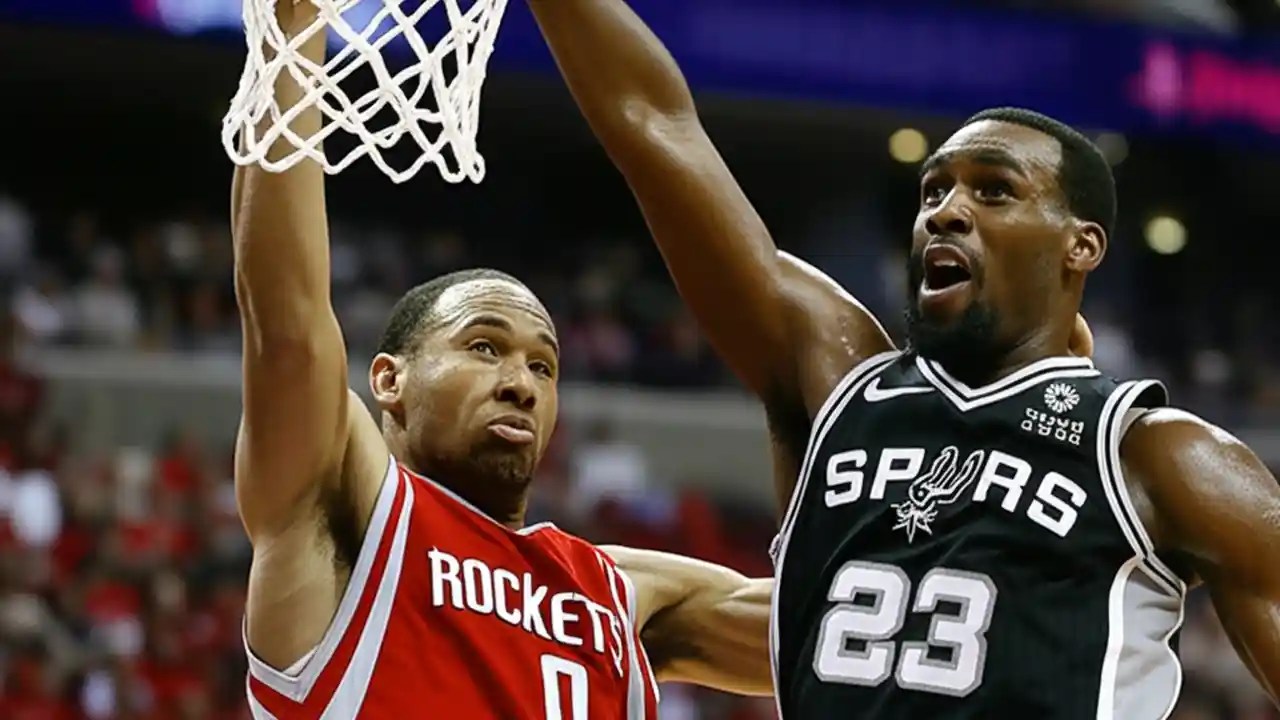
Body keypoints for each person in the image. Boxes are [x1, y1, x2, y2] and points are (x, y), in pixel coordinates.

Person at [526, 1, 1280, 717]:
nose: (946, 210)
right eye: (934, 190)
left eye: (994, 191)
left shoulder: (1158, 454)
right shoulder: (837, 380)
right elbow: (655, 125)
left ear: (1079, 245)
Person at [230, 4, 772, 718]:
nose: (520, 383)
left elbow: (855, 624)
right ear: (389, 380)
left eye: (544, 367)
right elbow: (289, 326)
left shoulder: (617, 591)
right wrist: (293, 31)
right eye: (484, 348)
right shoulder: (349, 511)